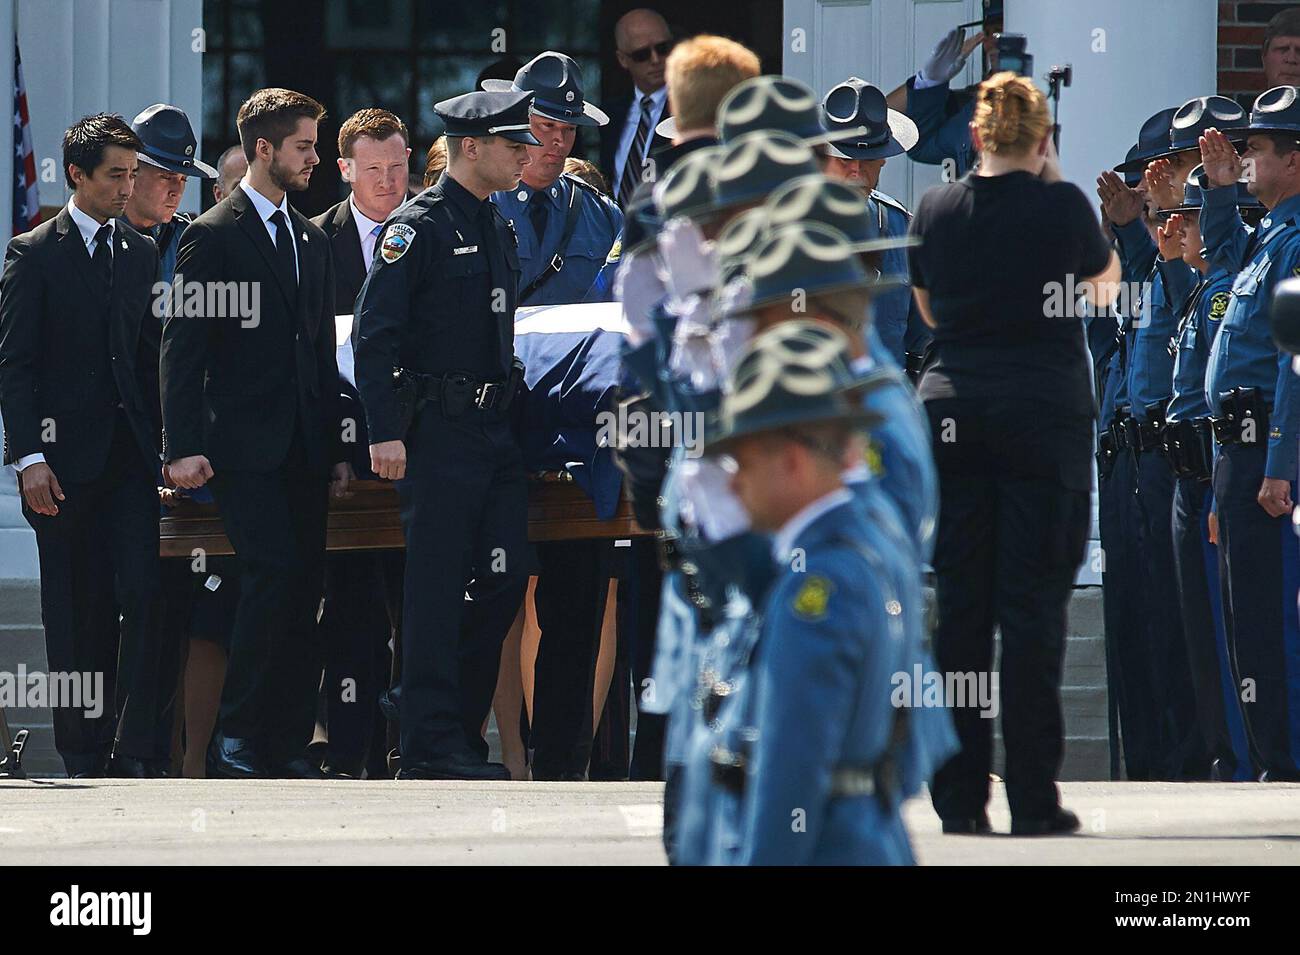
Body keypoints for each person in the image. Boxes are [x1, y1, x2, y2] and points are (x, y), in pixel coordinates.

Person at [907, 72, 1119, 834]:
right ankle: (1033, 795)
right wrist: (1053, 174)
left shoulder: (935, 208)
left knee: (959, 615)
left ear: (974, 135)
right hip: (1040, 416)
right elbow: (1104, 286)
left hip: (954, 411)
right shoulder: (1061, 205)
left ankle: (959, 797)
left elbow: (930, 309)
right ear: (1041, 137)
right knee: (1032, 614)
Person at [161, 88, 347, 779]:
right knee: (269, 576)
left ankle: (288, 742)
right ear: (264, 149)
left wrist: (333, 451)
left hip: (303, 450)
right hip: (239, 450)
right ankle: (237, 736)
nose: (315, 159)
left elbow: (320, 353)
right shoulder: (210, 234)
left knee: (303, 588)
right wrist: (181, 445)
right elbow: (182, 347)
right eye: (304, 146)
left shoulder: (313, 236)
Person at [352, 89, 536, 780]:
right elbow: (375, 336)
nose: (526, 152)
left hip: (494, 434)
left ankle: (451, 728)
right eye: (513, 143)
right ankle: (430, 744)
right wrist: (385, 431)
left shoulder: (497, 226)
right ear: (471, 147)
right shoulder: (417, 227)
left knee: (504, 577)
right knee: (431, 588)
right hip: (436, 435)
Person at [701, 320, 914, 865]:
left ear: (791, 462)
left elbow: (789, 772)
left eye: (742, 461)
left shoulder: (816, 588)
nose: (732, 482)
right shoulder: (861, 540)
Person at [0, 114, 163, 778]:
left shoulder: (143, 253)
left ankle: (139, 747)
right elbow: (14, 364)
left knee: (148, 597)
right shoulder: (33, 253)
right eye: (116, 175)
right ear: (77, 175)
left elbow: (152, 359)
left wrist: (170, 447)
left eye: (133, 174)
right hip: (61, 469)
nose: (129, 188)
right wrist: (29, 458)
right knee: (75, 613)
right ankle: (82, 750)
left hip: (130, 463)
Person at [486, 51, 625, 780]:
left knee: (575, 607)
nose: (557, 140)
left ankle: (561, 757)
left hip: (576, 443)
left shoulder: (602, 214)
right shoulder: (477, 206)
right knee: (490, 599)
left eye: (568, 127)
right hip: (493, 435)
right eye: (543, 125)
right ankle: (466, 753)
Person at [1198, 88, 1300, 780]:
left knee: (1266, 616)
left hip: (1265, 446)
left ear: (1295, 160)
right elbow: (1225, 261)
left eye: (1259, 150)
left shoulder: (1296, 241)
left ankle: (1281, 759)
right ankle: (1267, 756)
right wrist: (1218, 191)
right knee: (1243, 614)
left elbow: (1296, 361)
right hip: (1236, 448)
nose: (1248, 159)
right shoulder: (1269, 237)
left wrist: (1280, 461)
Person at [118, 103, 223, 776]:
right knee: (123, 617)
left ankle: (160, 758)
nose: (175, 189)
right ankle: (121, 753)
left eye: (184, 177)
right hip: (115, 467)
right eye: (164, 175)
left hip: (186, 466)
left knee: (181, 613)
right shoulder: (96, 244)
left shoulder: (191, 241)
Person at [311, 107, 412, 778]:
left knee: (418, 611)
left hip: (418, 460)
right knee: (349, 617)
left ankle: (411, 751)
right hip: (344, 461)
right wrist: (333, 453)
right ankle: (348, 756)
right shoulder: (317, 241)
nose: (387, 181)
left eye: (399, 166)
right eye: (372, 169)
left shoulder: (431, 233)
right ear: (345, 169)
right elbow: (307, 363)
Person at [1155, 177, 1258, 782]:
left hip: (1211, 467)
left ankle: (1239, 756)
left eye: (1190, 221)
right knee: (1200, 627)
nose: (1180, 230)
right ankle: (1225, 751)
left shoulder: (1222, 290)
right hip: (1189, 467)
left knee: (1223, 631)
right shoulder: (1205, 291)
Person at [1095, 111, 1177, 780]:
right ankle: (1146, 766)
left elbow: (1168, 291)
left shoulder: (1188, 247)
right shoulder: (1125, 256)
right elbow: (1104, 345)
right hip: (1119, 457)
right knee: (1127, 621)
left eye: (1151, 181)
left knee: (1167, 623)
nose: (1141, 197)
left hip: (1163, 455)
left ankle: (1184, 765)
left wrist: (1132, 233)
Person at [817, 76, 928, 375]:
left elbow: (922, 340)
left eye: (866, 158)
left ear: (884, 158)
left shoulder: (901, 229)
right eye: (844, 157)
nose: (855, 168)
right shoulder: (783, 230)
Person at [601, 7, 674, 203]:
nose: (655, 60)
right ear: (623, 59)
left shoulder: (689, 110)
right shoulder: (611, 115)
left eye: (662, 48)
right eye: (642, 55)